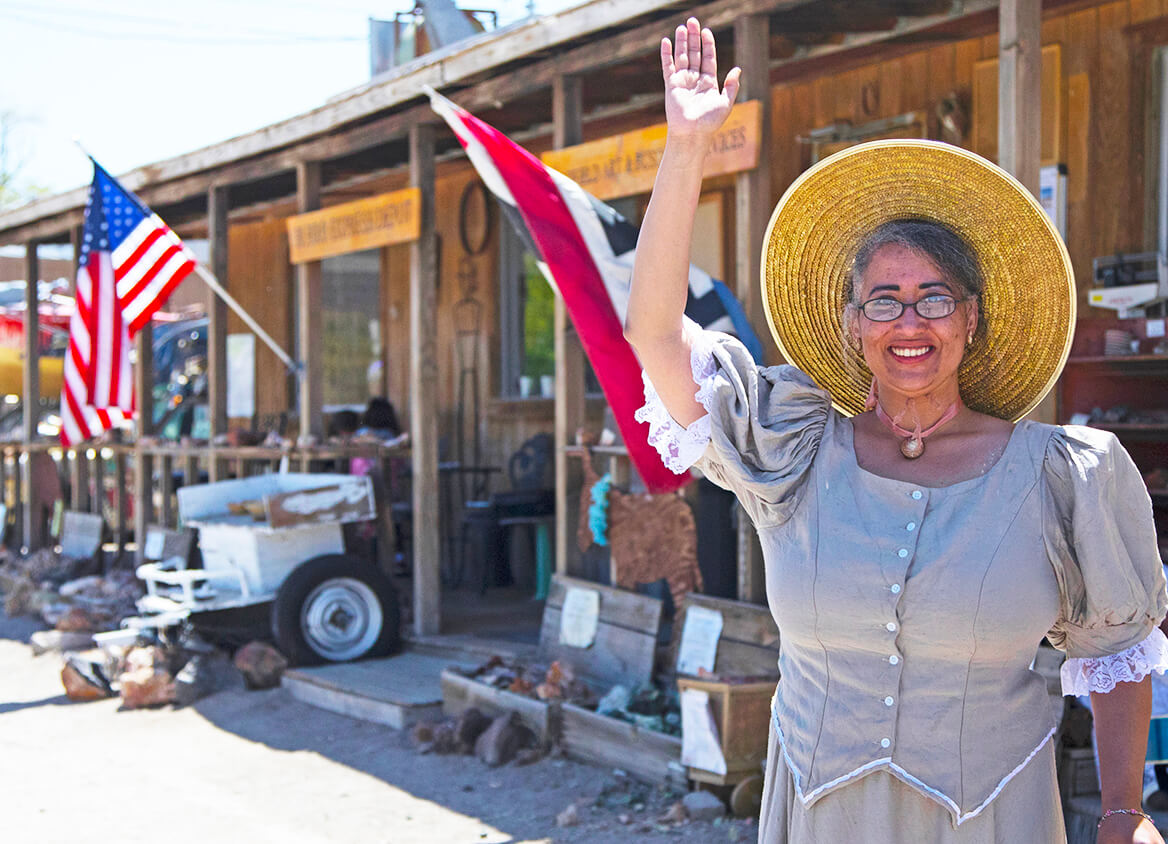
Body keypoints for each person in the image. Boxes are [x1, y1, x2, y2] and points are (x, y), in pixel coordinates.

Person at [627, 17, 1168, 844]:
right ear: (851, 324)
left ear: (973, 319)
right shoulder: (793, 450)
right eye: (883, 299)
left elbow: (1119, 656)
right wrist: (687, 151)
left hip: (996, 824)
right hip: (819, 819)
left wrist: (1124, 817)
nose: (907, 321)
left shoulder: (1062, 474)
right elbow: (655, 334)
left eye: (934, 297)